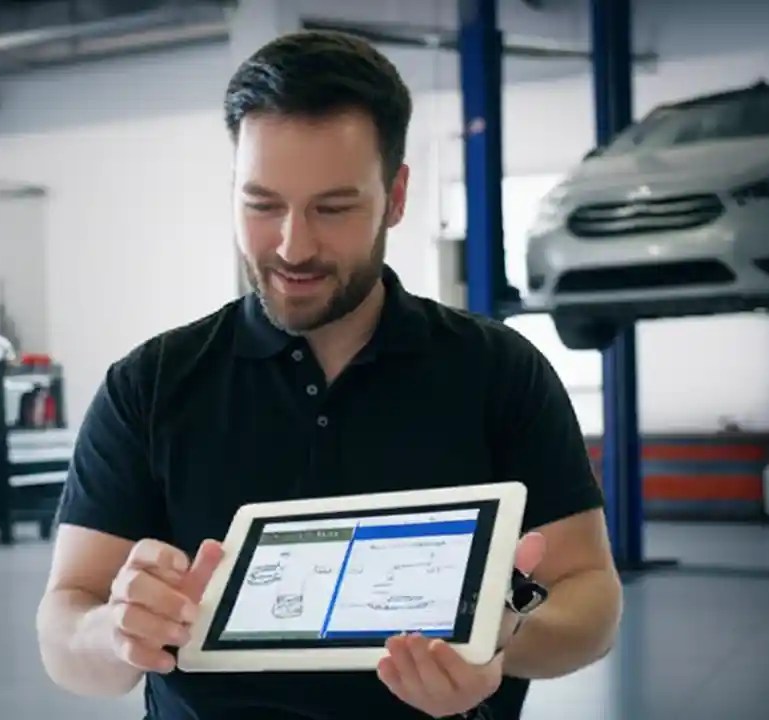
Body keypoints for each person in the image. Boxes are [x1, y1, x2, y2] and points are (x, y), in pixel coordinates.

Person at [37, 30, 623, 720]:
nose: (293, 245)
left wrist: (508, 638)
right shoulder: (150, 385)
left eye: (333, 208)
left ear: (396, 196)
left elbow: (591, 597)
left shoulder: (498, 373)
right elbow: (64, 622)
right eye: (262, 205)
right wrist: (116, 630)